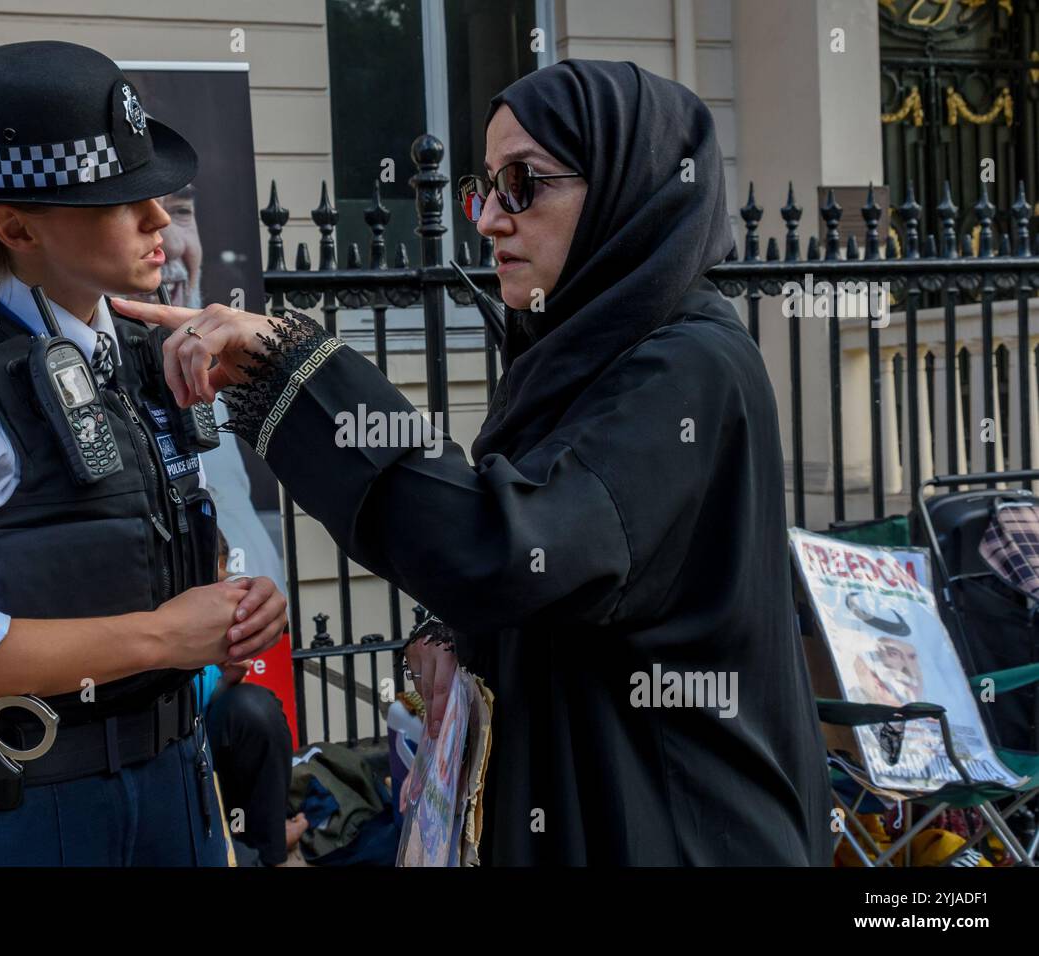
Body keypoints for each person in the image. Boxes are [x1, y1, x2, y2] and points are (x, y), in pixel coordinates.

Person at [111, 59, 833, 866]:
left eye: (524, 183)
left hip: (678, 824)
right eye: (483, 186)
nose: (488, 218)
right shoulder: (580, 358)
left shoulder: (689, 366)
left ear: (631, 188)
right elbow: (554, 562)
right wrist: (455, 632)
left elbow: (504, 548)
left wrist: (297, 369)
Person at [0, 40, 287, 866]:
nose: (159, 219)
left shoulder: (152, 350)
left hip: (175, 789)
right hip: (22, 810)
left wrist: (238, 600)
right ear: (15, 226)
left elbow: (144, 541)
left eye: (153, 193)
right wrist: (161, 636)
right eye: (120, 201)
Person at [194, 531, 308, 866]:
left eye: (223, 583)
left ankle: (266, 845)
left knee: (253, 709)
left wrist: (227, 678)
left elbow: (206, 707)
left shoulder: (216, 634)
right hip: (164, 759)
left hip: (205, 754)